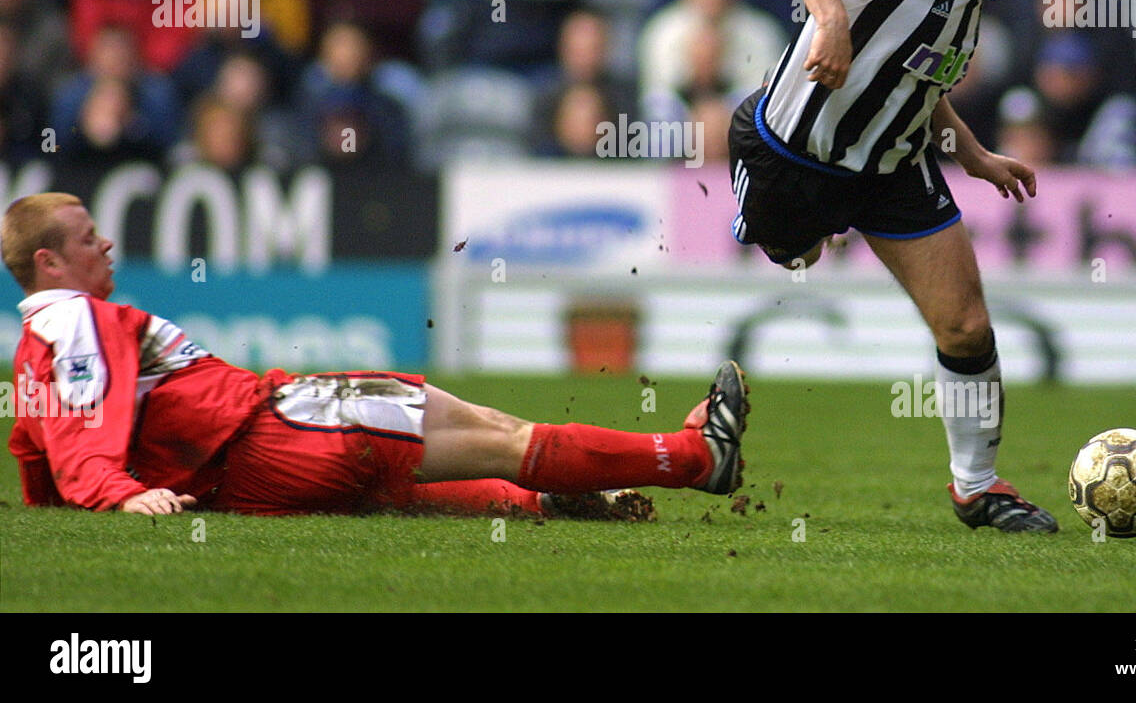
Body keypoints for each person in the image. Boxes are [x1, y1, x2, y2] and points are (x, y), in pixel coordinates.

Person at [4, 193, 748, 520]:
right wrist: (121, 493)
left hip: (248, 483)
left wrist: (92, 494)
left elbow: (45, 460)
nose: (105, 245)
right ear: (50, 261)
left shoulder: (31, 353)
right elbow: (82, 447)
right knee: (499, 434)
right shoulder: (75, 320)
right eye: (87, 238)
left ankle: (555, 502)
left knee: (415, 483)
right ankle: (691, 459)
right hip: (283, 430)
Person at [728, 0, 1068, 532]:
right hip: (794, 155)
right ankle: (797, 234)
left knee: (967, 326)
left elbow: (917, 73)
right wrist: (828, 17)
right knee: (791, 254)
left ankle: (978, 487)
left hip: (892, 166)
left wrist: (972, 153)